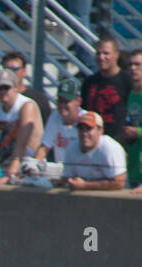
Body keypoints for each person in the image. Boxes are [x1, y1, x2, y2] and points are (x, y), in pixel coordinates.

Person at [55, 110, 126, 190]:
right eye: (81, 129)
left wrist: (85, 185)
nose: (84, 133)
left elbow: (119, 183)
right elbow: (66, 179)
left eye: (88, 129)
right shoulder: (71, 148)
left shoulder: (110, 148)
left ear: (100, 130)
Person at [82, 34, 130, 142]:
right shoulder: (89, 82)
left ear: (116, 55)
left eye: (106, 53)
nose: (101, 57)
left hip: (119, 143)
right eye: (98, 53)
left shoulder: (127, 81)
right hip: (93, 143)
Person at [34, 78, 83, 167]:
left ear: (78, 101)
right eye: (60, 101)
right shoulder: (55, 116)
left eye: (66, 101)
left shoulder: (86, 120)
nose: (62, 105)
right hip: (60, 172)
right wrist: (33, 165)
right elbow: (44, 147)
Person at [0, 51, 51, 123]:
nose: (10, 73)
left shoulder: (38, 99)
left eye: (15, 69)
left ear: (24, 71)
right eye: (7, 69)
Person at [122, 50, 142, 189]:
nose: (133, 68)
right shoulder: (131, 94)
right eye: (130, 65)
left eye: (137, 64)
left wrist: (138, 132)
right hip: (133, 166)